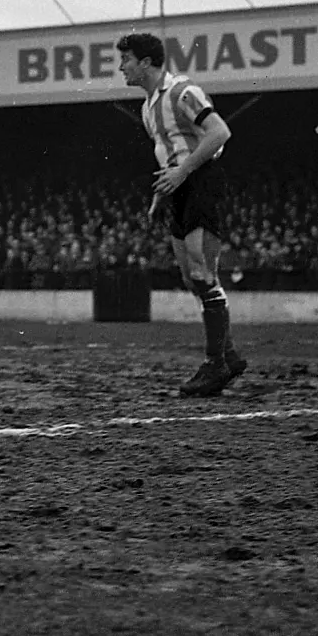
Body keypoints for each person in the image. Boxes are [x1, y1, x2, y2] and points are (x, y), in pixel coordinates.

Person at [118, 31, 246, 396]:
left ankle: (215, 365)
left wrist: (183, 172)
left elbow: (220, 132)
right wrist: (162, 192)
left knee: (204, 275)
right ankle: (230, 354)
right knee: (192, 280)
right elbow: (167, 153)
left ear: (145, 62)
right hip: (178, 187)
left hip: (200, 180)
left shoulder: (182, 92)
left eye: (126, 60)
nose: (121, 67)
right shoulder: (147, 107)